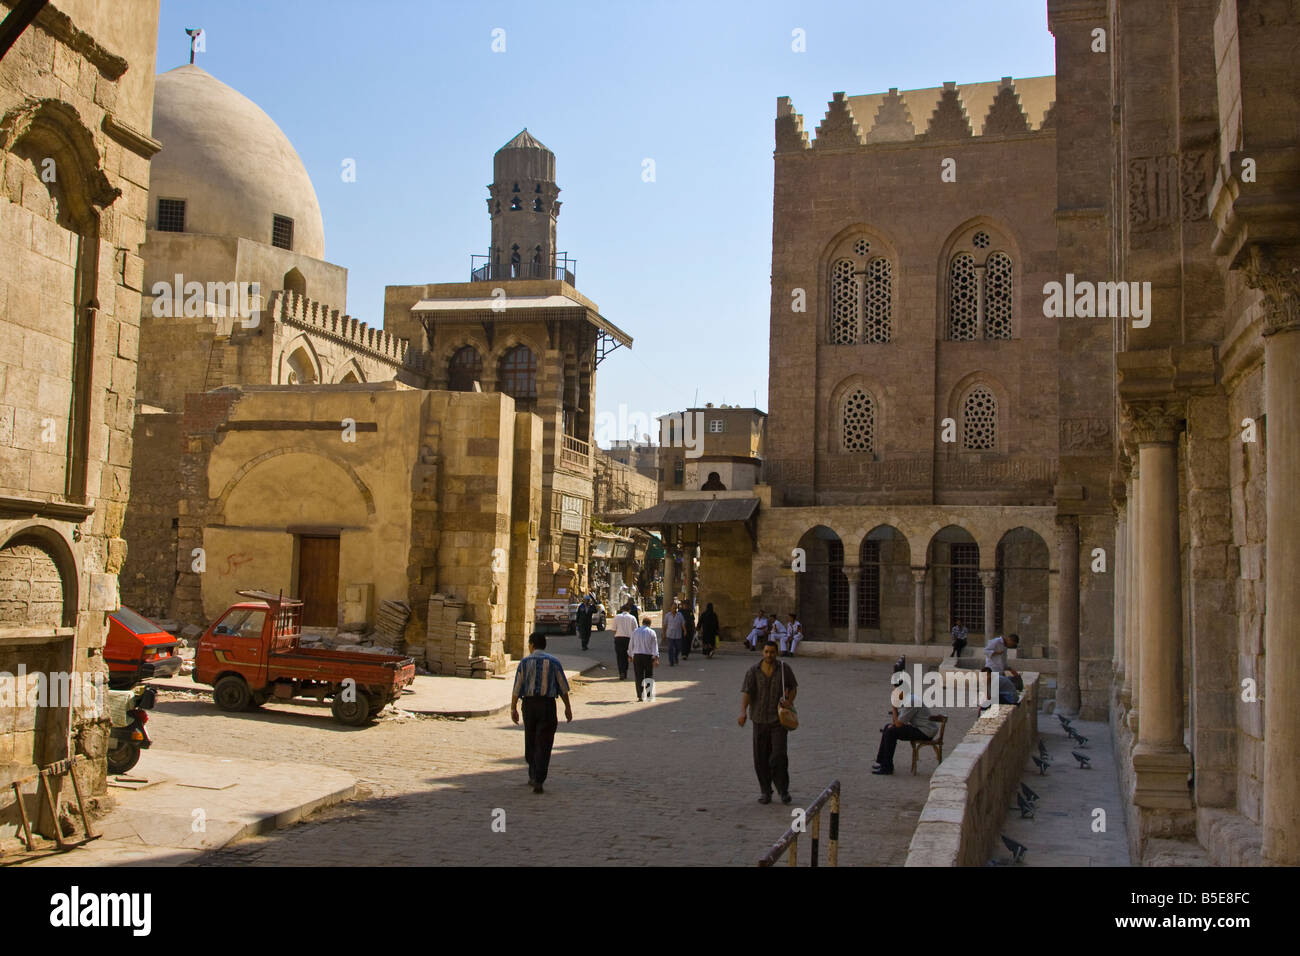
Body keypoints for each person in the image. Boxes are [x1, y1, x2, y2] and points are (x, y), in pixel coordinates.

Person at [510, 632, 573, 793]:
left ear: (531, 645)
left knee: (530, 737)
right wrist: (567, 707)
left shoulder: (524, 662)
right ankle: (539, 777)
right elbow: (563, 688)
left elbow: (517, 687)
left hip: (529, 705)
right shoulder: (554, 662)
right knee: (544, 741)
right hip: (547, 705)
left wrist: (513, 708)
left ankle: (533, 773)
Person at [738, 640, 798, 804]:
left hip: (778, 719)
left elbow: (793, 688)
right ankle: (766, 791)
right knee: (760, 757)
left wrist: (789, 701)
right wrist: (743, 712)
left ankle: (783, 789)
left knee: (779, 755)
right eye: (766, 652)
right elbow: (747, 693)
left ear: (776, 653)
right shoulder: (753, 671)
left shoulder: (784, 670)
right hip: (759, 718)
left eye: (772, 652)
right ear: (762, 652)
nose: (769, 655)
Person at [872, 676, 937, 775]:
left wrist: (894, 707)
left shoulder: (911, 701)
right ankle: (882, 762)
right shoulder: (907, 699)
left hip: (925, 731)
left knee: (891, 731)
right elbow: (897, 721)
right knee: (887, 727)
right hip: (920, 728)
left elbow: (898, 724)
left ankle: (887, 767)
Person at [628, 615, 659, 700]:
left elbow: (631, 645)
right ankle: (649, 695)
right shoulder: (652, 632)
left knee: (638, 675)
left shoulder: (635, 631)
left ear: (642, 623)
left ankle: (640, 695)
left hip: (637, 656)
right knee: (649, 675)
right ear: (650, 624)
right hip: (648, 656)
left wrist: (630, 655)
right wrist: (656, 658)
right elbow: (654, 646)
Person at [612, 603, 638, 680]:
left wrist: (617, 635)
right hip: (628, 639)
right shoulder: (632, 617)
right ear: (629, 610)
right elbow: (635, 630)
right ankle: (625, 671)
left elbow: (613, 629)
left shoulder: (617, 617)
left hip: (618, 638)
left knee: (620, 656)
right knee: (627, 656)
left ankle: (621, 672)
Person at [663, 601, 685, 666]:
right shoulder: (667, 615)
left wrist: (685, 630)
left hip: (678, 634)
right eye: (673, 608)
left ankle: (675, 656)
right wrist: (663, 633)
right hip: (669, 634)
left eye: (675, 608)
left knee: (678, 648)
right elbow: (665, 625)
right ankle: (671, 661)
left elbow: (683, 623)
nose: (674, 609)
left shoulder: (680, 615)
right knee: (670, 648)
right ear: (670, 608)